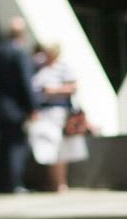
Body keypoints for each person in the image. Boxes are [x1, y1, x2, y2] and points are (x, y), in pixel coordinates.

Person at [0, 17, 38, 193]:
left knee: (4, 145)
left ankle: (3, 183)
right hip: (16, 109)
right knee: (16, 146)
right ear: (22, 34)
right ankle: (13, 184)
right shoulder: (19, 54)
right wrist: (33, 107)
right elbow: (25, 83)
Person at [28, 43, 89, 192]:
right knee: (47, 147)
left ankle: (60, 183)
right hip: (43, 114)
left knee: (59, 147)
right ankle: (53, 181)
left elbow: (73, 87)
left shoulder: (64, 67)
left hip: (59, 113)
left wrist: (52, 91)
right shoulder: (38, 67)